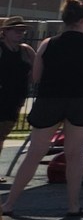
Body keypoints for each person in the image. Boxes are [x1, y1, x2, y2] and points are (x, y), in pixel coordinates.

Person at [2, 0, 83, 219]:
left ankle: (9, 203)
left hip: (51, 98)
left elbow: (35, 76)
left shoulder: (48, 43)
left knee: (34, 153)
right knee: (75, 154)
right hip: (82, 99)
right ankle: (73, 205)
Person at [0, 17, 35, 161]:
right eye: (16, 30)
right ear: (5, 32)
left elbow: (36, 71)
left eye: (22, 30)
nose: (20, 33)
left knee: (2, 135)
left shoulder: (26, 51)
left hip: (15, 99)